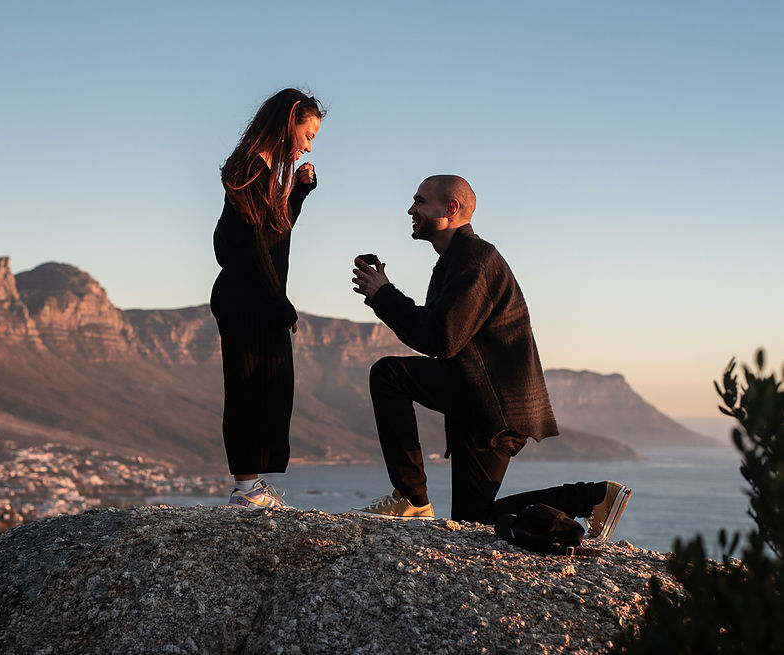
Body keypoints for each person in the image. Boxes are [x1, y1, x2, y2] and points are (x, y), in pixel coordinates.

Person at [350, 174, 631, 541]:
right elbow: (440, 331)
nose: (411, 209)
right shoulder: (456, 260)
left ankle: (411, 499)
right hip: (478, 403)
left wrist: (384, 295)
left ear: (450, 209)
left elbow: (442, 338)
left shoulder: (475, 261)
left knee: (389, 375)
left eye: (419, 201)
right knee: (473, 521)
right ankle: (596, 498)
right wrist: (384, 292)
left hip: (492, 404)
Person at [211, 88, 325, 509]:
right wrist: (278, 302)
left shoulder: (267, 174)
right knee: (247, 388)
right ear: (288, 120)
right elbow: (253, 243)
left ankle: (252, 485)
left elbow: (275, 232)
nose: (308, 145)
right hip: (246, 296)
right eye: (307, 134)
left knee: (271, 387)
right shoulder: (247, 168)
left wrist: (297, 192)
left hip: (260, 294)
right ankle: (246, 489)